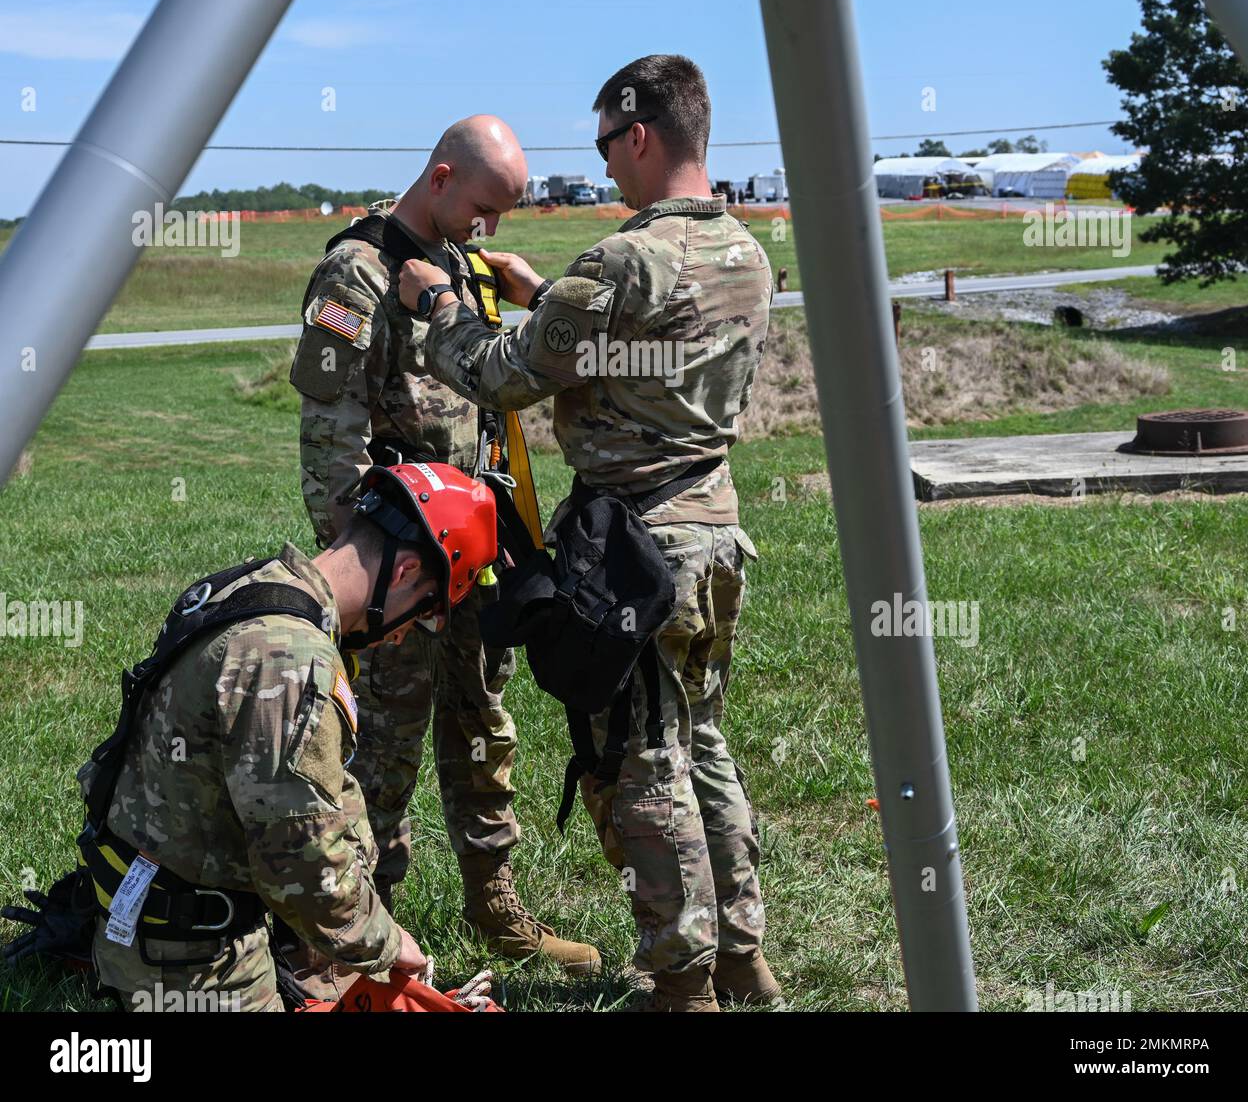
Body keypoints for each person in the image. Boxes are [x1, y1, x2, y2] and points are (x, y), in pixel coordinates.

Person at [402, 55, 780, 1011]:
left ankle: (679, 979)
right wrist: (542, 298)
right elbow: (639, 350)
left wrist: (436, 305)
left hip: (637, 551)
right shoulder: (745, 252)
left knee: (642, 761)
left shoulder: (618, 261)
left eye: (608, 146)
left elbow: (497, 376)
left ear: (639, 134)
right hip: (715, 533)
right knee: (702, 744)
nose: (606, 167)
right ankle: (743, 956)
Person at [289, 115, 598, 975]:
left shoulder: (457, 268)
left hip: (475, 547)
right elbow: (329, 438)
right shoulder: (354, 273)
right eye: (482, 206)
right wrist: (355, 577)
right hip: (393, 562)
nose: (489, 228)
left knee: (481, 725)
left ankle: (493, 901)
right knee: (380, 749)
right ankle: (364, 935)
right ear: (439, 175)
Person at [64, 463, 496, 1012]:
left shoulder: (255, 586)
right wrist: (387, 945)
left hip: (151, 907)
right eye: (429, 609)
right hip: (191, 961)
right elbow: (300, 864)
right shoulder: (291, 660)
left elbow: (318, 798)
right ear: (407, 569)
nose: (410, 631)